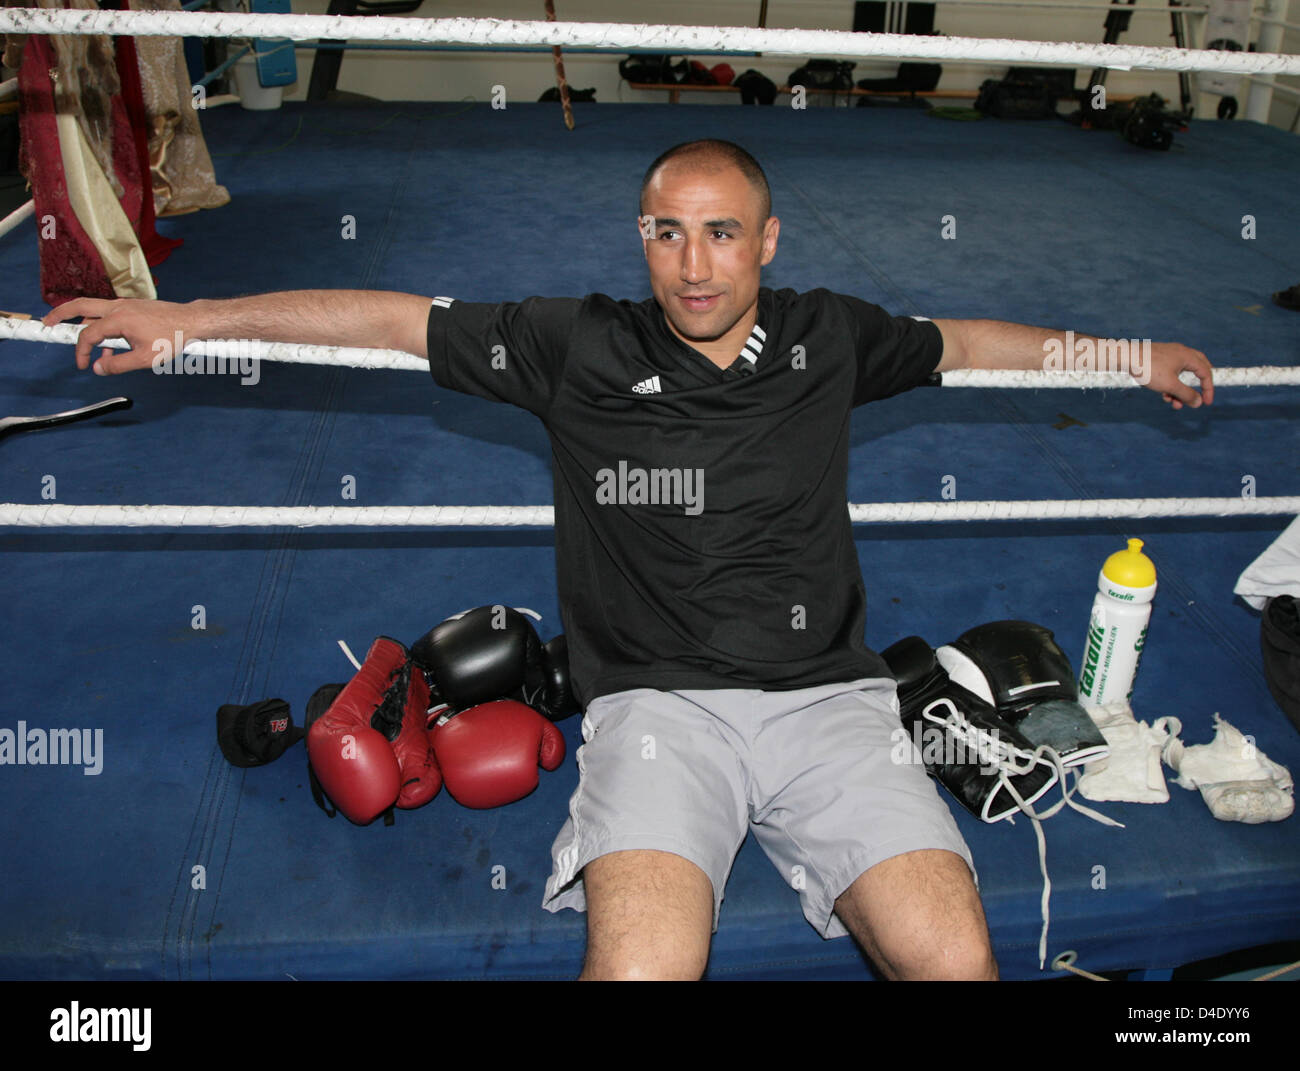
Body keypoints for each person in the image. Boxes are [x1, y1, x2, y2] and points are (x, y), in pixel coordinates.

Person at [44, 138, 1214, 981]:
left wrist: (1127, 351)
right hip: (658, 711)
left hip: (833, 710)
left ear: (766, 239)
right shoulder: (575, 344)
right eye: (667, 231)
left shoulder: (828, 335)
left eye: (720, 232)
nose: (694, 265)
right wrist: (190, 318)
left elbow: (971, 343)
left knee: (955, 959)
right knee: (646, 968)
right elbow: (389, 319)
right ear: (641, 236)